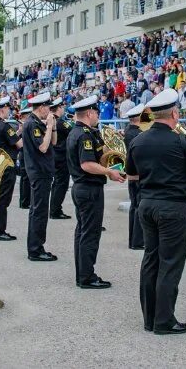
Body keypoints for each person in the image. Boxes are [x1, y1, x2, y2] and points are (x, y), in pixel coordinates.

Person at [124, 88, 186, 334]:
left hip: (146, 205)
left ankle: (149, 319)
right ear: (175, 113)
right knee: (170, 263)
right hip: (173, 208)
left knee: (150, 260)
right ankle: (164, 321)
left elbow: (131, 174)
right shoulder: (181, 140)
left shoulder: (137, 140)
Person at [66, 95, 125, 289]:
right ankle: (87, 277)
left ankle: (82, 274)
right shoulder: (84, 135)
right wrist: (110, 171)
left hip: (82, 188)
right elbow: (87, 164)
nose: (98, 116)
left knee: (82, 232)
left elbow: (99, 155)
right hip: (88, 188)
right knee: (89, 234)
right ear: (90, 113)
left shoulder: (82, 132)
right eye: (96, 113)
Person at [22, 92, 59, 261]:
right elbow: (43, 147)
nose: (49, 111)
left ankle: (36, 247)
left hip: (43, 171)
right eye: (48, 108)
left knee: (39, 210)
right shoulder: (32, 124)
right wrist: (49, 126)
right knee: (39, 212)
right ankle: (36, 249)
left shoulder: (37, 122)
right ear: (42, 107)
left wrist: (53, 126)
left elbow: (53, 142)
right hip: (39, 172)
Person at [0, 97, 22, 241]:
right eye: (8, 108)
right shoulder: (5, 126)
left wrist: (18, 131)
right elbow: (19, 144)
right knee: (3, 199)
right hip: (5, 166)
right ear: (2, 109)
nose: (9, 111)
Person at [124, 103, 145, 250]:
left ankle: (133, 240)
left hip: (132, 174)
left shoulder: (127, 130)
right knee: (138, 207)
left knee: (134, 207)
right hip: (138, 174)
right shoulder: (138, 133)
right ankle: (137, 241)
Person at [49, 97, 72, 220]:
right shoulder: (60, 122)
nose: (63, 109)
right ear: (58, 108)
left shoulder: (51, 120)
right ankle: (55, 210)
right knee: (61, 184)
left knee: (57, 183)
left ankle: (54, 209)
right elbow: (72, 131)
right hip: (61, 157)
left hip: (55, 156)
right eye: (62, 107)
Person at [16, 107, 33, 209]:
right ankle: (25, 201)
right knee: (25, 179)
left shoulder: (25, 125)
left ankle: (25, 201)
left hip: (26, 154)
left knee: (25, 179)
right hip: (24, 154)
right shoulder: (23, 126)